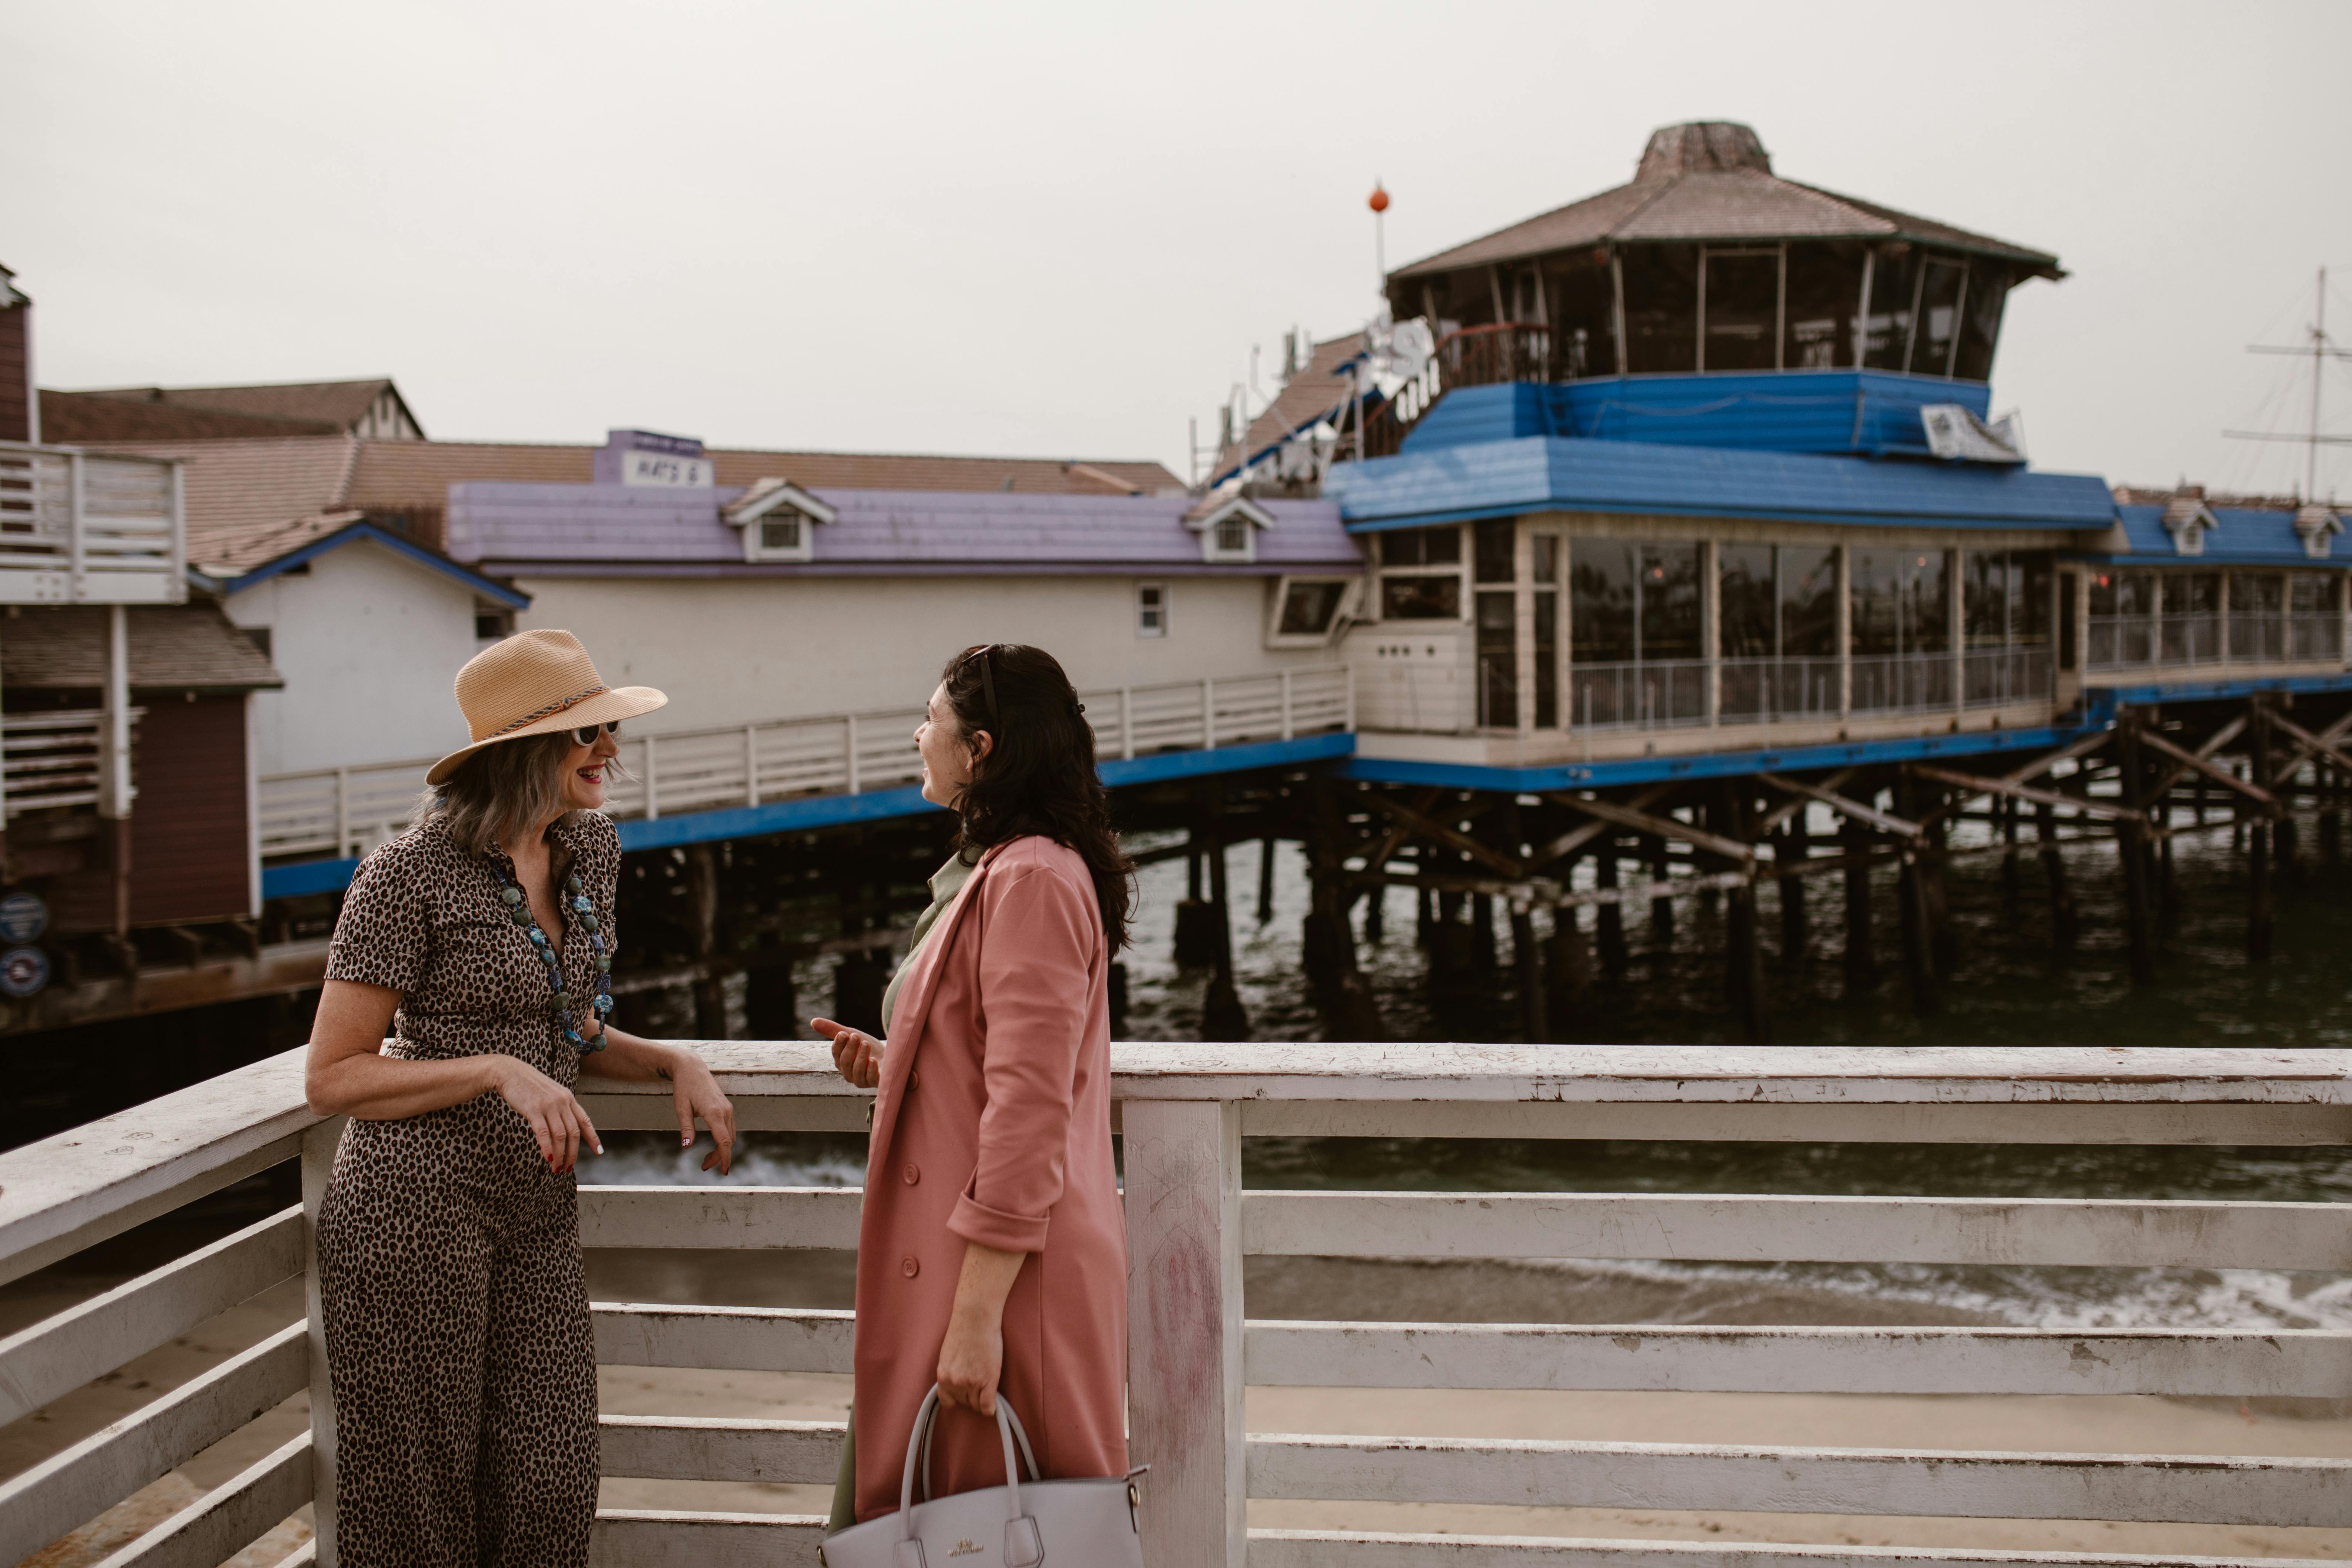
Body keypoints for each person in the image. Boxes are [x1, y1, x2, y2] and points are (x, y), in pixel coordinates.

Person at [304, 629, 738, 1568]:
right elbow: (333, 1075)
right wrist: (495, 1071)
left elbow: (567, 1024)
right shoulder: (404, 876)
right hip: (413, 1209)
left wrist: (671, 1060)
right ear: (520, 752)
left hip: (535, 1207)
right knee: (417, 1501)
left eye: (609, 730)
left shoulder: (588, 850)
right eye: (589, 737)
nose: (612, 754)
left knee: (550, 1482)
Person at [816, 643, 1132, 1529]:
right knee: (955, 1526)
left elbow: (1030, 1110)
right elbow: (1007, 1061)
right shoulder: (1018, 868)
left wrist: (974, 1322)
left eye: (931, 721)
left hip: (999, 1280)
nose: (918, 736)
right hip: (978, 1260)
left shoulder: (1029, 876)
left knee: (989, 1530)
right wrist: (907, 1058)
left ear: (980, 748)